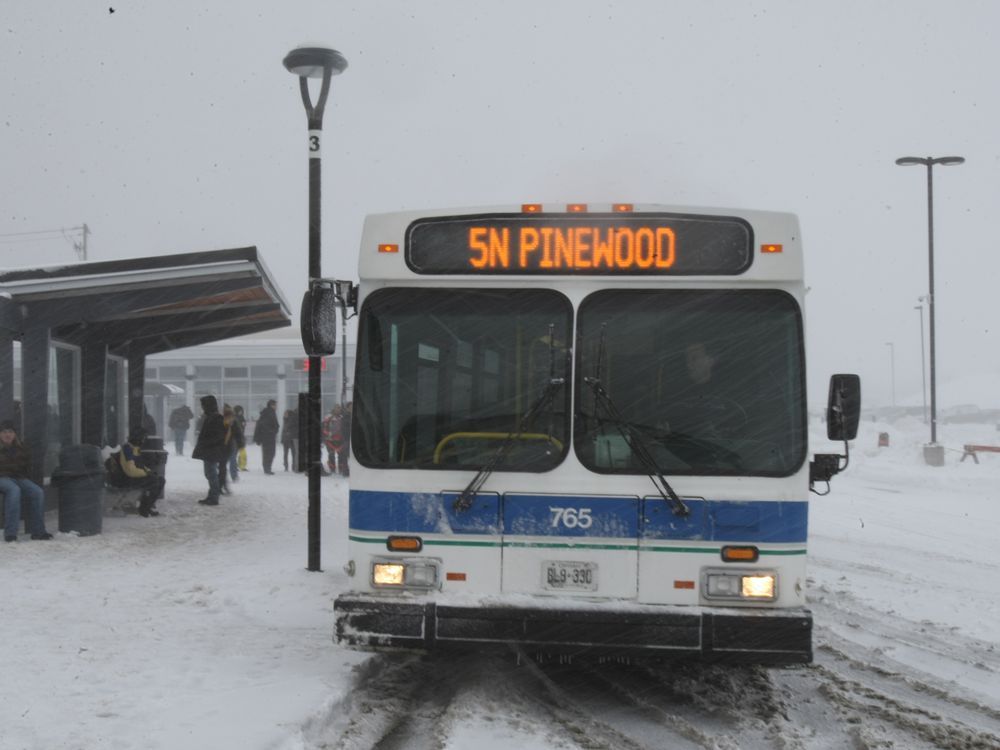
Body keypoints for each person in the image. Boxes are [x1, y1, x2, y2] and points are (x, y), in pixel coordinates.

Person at [0, 419, 53, 541]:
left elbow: (27, 466)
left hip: (18, 477)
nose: (7, 435)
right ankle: (11, 533)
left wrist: (22, 476)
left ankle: (38, 531)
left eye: (10, 432)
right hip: (2, 477)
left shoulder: (21, 447)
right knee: (14, 490)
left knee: (37, 492)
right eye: (3, 432)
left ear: (14, 434)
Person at [114, 428, 166, 518]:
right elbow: (130, 470)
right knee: (153, 482)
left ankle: (147, 506)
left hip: (134, 476)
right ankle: (143, 509)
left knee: (160, 480)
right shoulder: (128, 449)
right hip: (127, 479)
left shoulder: (135, 449)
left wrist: (149, 472)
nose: (143, 441)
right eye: (142, 438)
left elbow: (140, 466)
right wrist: (146, 474)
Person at [192, 395, 227, 506]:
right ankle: (212, 495)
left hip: (212, 450)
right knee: (209, 473)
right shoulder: (211, 417)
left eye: (203, 405)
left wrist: (206, 443)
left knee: (211, 474)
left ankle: (214, 496)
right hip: (210, 450)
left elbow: (218, 435)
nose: (202, 407)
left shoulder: (215, 418)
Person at [253, 399, 280, 475]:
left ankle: (267, 468)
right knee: (270, 453)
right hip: (268, 437)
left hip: (266, 437)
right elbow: (266, 424)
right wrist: (273, 431)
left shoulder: (267, 412)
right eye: (275, 405)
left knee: (267, 453)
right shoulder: (269, 413)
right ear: (272, 405)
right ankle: (267, 468)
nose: (276, 407)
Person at [222, 404, 245, 488]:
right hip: (226, 443)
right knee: (228, 460)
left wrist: (241, 443)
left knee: (231, 459)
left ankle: (233, 476)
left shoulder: (233, 420)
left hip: (232, 443)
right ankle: (229, 476)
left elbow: (238, 432)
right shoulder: (222, 419)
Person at [322, 405, 343, 475]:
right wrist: (328, 433)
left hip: (340, 439)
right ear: (334, 409)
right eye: (337, 408)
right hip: (330, 439)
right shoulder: (328, 417)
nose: (338, 410)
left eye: (339, 408)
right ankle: (332, 468)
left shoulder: (342, 417)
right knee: (331, 454)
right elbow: (324, 428)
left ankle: (341, 468)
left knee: (341, 455)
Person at [233, 405, 249, 471]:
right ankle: (235, 466)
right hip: (236, 438)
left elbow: (242, 427)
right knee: (234, 453)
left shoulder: (241, 418)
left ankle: (242, 466)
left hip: (240, 437)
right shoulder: (234, 418)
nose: (241, 412)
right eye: (240, 411)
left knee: (242, 453)